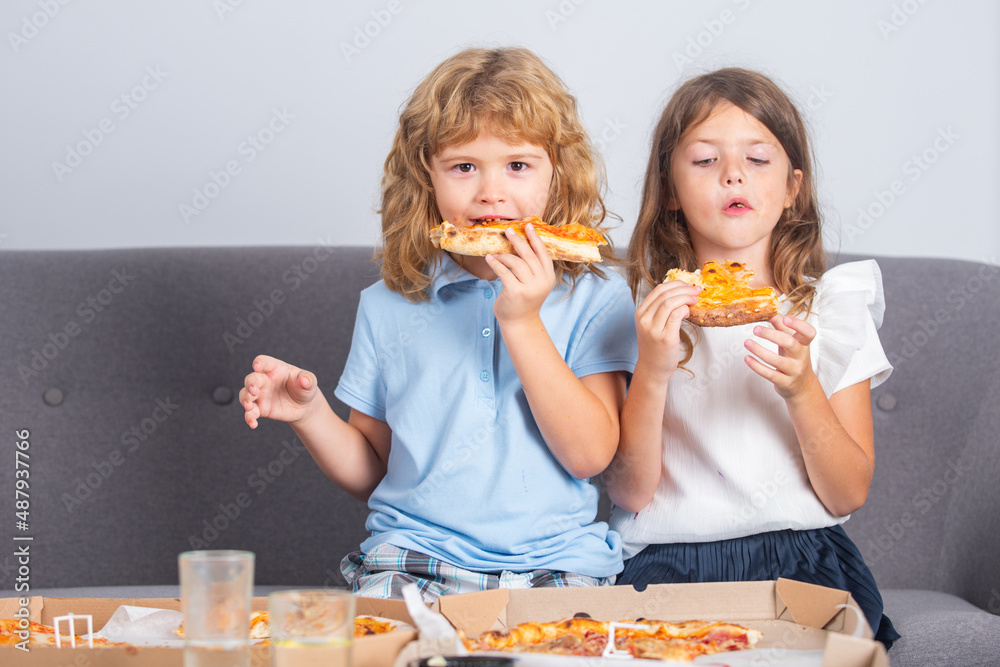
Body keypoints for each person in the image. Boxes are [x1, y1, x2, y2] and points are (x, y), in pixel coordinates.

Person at [240, 47, 638, 601]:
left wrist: (521, 321)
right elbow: (376, 471)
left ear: (557, 174)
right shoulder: (388, 304)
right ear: (427, 174)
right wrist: (310, 416)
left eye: (518, 165)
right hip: (413, 560)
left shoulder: (596, 297)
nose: (491, 192)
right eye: (464, 166)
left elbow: (590, 456)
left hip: (554, 565)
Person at [604, 67, 899, 648]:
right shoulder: (641, 311)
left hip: (805, 557)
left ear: (793, 189)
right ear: (668, 192)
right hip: (666, 561)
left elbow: (847, 493)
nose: (733, 173)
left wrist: (802, 389)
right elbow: (631, 492)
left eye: (757, 160)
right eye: (705, 160)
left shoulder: (830, 309)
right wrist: (654, 370)